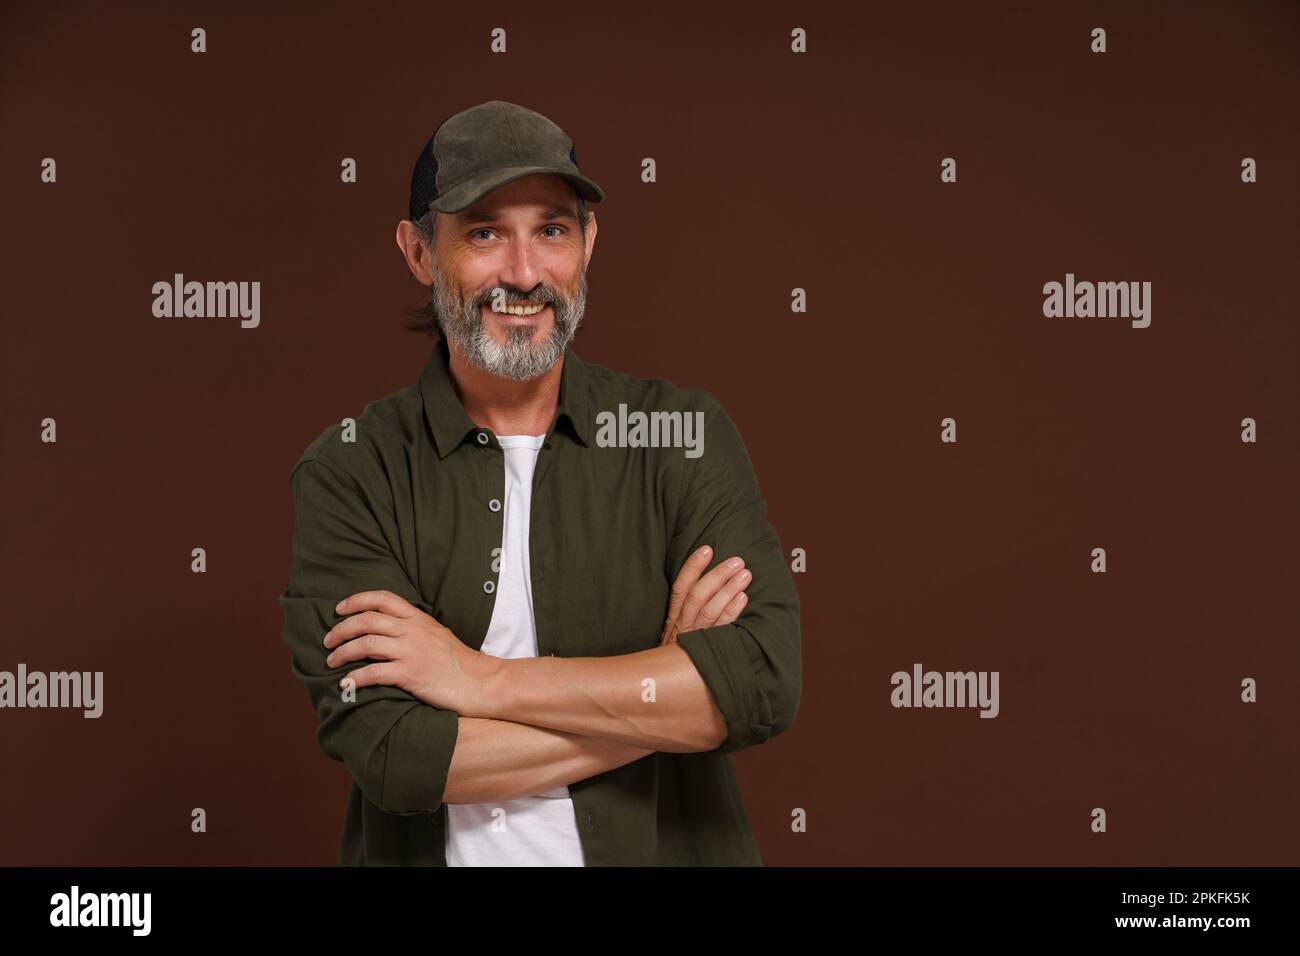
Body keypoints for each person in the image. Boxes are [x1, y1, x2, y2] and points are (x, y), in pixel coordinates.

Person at [278, 100, 801, 865]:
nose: (523, 273)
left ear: (588, 243)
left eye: (551, 230)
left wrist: (477, 680)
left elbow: (760, 683)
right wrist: (661, 695)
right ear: (420, 253)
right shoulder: (354, 470)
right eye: (484, 232)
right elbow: (398, 754)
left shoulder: (679, 437)